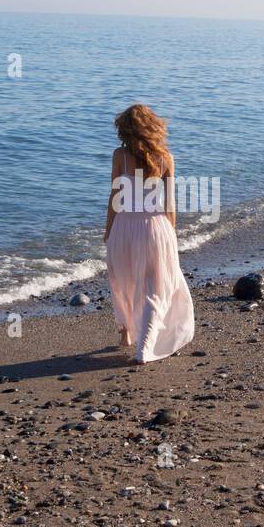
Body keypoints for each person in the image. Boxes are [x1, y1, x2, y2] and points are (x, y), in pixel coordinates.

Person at [103, 104, 195, 363]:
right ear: (153, 127)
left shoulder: (119, 156)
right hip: (155, 227)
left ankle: (125, 335)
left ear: (125, 130)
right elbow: (170, 204)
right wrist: (171, 234)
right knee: (155, 288)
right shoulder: (166, 157)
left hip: (124, 226)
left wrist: (108, 230)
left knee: (122, 280)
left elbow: (114, 197)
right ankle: (144, 348)